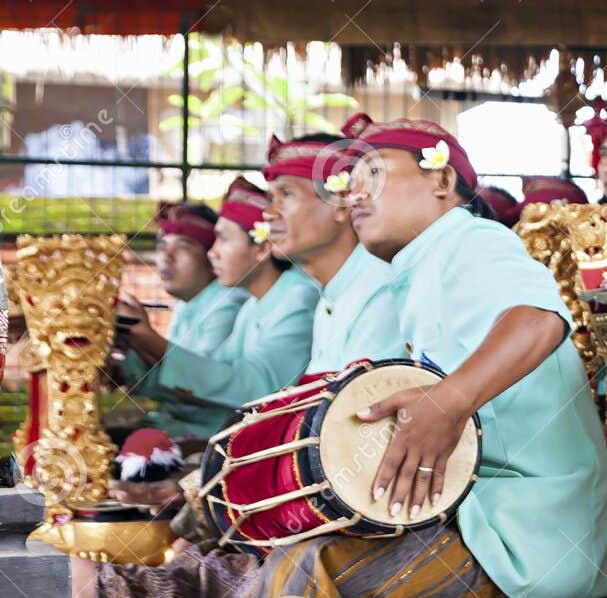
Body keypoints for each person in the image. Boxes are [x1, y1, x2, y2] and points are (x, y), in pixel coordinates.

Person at [76, 117, 607, 598]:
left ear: (442, 181)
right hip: (468, 512)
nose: (355, 191)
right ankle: (111, 588)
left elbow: (537, 320)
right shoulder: (415, 269)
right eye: (352, 177)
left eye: (374, 171)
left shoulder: (472, 241)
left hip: (524, 530)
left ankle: (110, 593)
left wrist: (448, 402)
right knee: (286, 549)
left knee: (307, 568)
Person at [116, 176, 319, 430]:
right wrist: (134, 348)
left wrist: (147, 338)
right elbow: (217, 372)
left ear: (263, 247)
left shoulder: (298, 298)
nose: (213, 253)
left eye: (222, 239)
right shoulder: (252, 306)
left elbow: (256, 391)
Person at [260, 132, 403, 373]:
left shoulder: (380, 290)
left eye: (286, 194)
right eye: (271, 198)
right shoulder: (332, 292)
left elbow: (358, 404)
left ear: (341, 202)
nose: (268, 213)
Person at [115, 203, 247, 443]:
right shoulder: (189, 302)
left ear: (211, 254)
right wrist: (125, 349)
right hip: (179, 426)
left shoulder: (228, 302)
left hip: (220, 435)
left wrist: (144, 336)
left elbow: (201, 385)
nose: (166, 257)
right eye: (162, 246)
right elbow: (167, 379)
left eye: (183, 246)